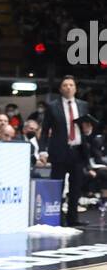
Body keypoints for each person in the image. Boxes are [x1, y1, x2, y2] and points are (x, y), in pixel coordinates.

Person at [37, 75, 90, 227]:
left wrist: (88, 130)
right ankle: (57, 217)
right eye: (65, 85)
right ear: (60, 89)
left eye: (71, 85)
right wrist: (42, 151)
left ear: (75, 88)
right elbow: (45, 129)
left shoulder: (83, 105)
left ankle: (73, 218)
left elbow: (86, 128)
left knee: (76, 187)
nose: (68, 87)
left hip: (78, 150)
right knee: (58, 186)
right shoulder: (53, 106)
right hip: (59, 151)